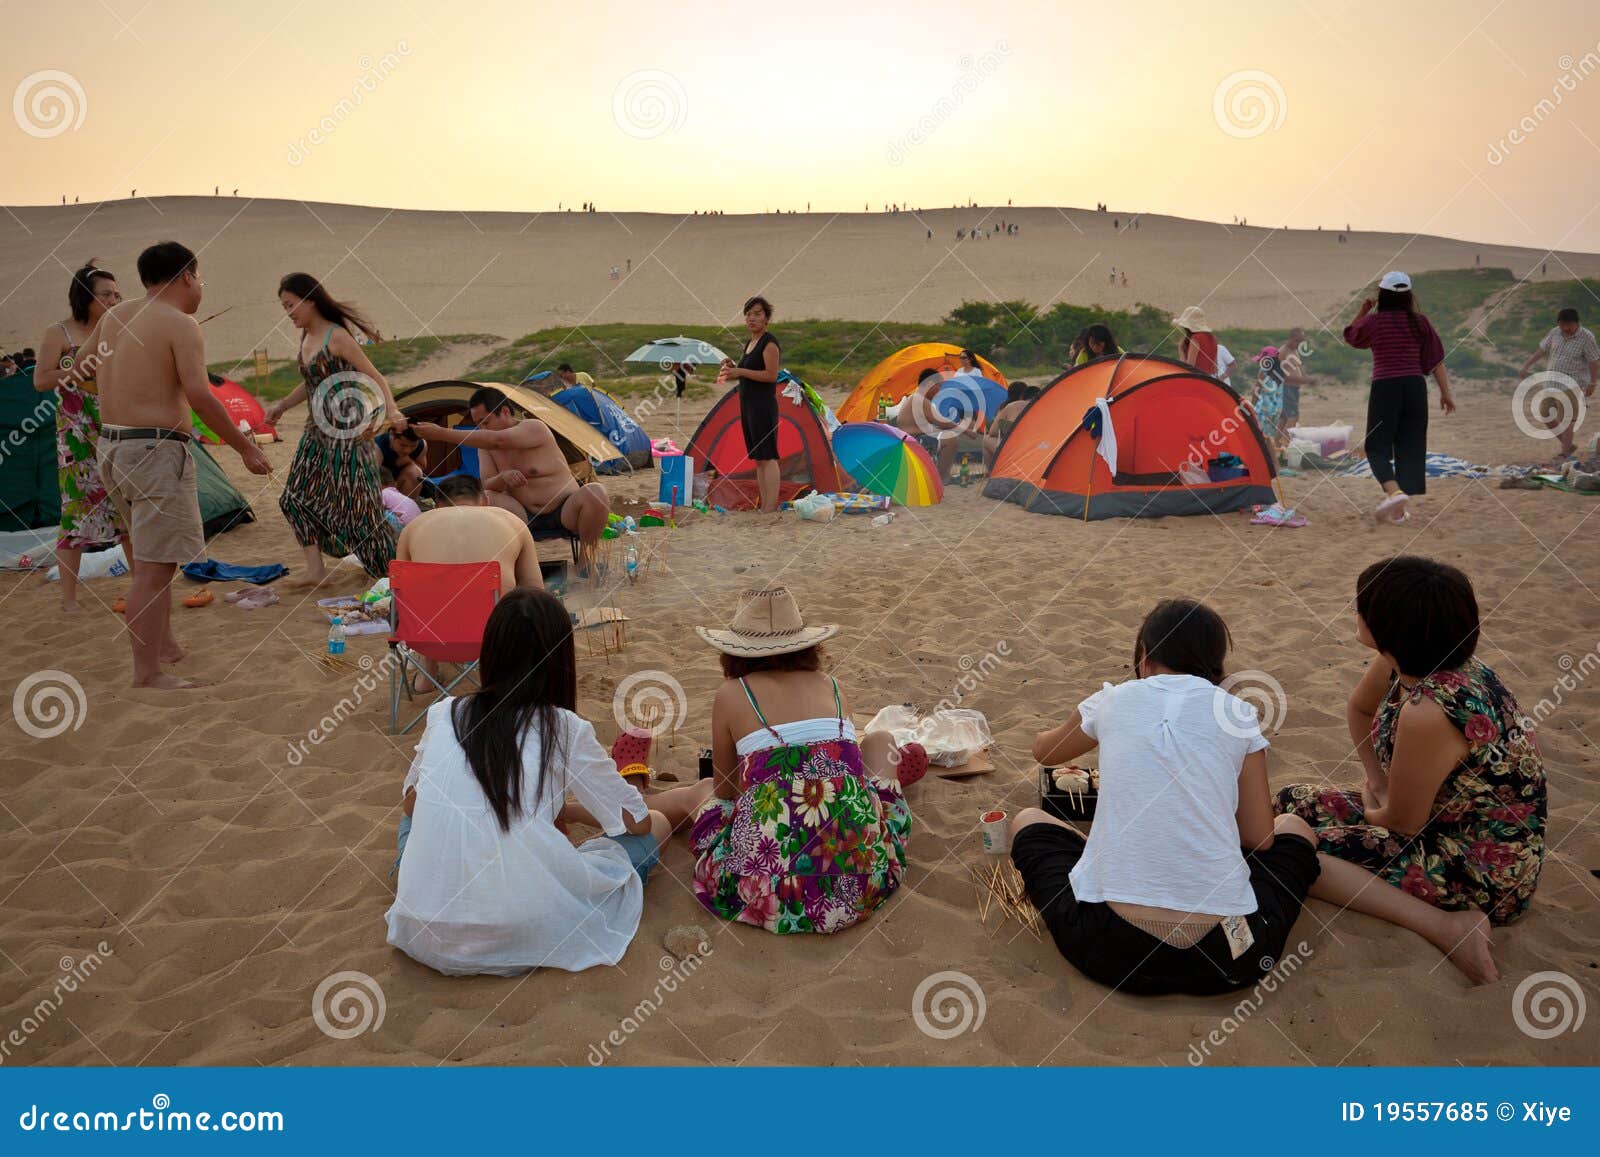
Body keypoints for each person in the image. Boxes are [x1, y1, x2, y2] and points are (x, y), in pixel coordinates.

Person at [386, 588, 710, 975]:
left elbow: (411, 805)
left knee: (413, 818)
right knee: (655, 825)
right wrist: (569, 811)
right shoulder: (564, 727)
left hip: (423, 928)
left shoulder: (445, 713)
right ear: (559, 661)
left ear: (490, 652)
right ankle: (635, 787)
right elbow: (637, 823)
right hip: (524, 927)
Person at [1011, 599, 1319, 995]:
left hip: (1108, 949)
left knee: (1028, 821)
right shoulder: (1238, 713)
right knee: (1293, 826)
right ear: (1215, 664)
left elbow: (1045, 752)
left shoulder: (1113, 698)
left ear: (1144, 655)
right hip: (1229, 958)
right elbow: (1259, 838)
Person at [1275, 557, 1545, 985]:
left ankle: (1448, 927)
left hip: (1484, 867)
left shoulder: (1429, 711)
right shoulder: (1407, 659)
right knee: (1289, 802)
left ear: (1389, 628)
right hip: (1436, 819)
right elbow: (1359, 709)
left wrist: (1373, 804)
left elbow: (1402, 822)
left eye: (1363, 606)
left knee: (1295, 854)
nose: (1357, 611)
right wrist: (1378, 781)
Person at [80, 241, 271, 688]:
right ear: (187, 276)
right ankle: (147, 673)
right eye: (199, 278)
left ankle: (163, 646)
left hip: (113, 448)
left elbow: (82, 369)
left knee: (152, 557)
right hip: (153, 453)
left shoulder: (113, 316)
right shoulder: (180, 323)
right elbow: (201, 395)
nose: (200, 287)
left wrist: (127, 387)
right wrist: (244, 447)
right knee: (154, 569)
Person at [689, 587, 915, 933]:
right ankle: (896, 779)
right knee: (880, 741)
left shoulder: (732, 693)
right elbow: (847, 769)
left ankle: (641, 795)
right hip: (861, 883)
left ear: (734, 651)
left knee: (702, 792)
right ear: (806, 645)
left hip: (769, 892)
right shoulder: (833, 686)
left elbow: (725, 789)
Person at [264, 272, 403, 586]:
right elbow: (311, 381)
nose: (288, 312)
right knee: (294, 499)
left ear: (310, 300)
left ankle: (392, 572)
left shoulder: (337, 337)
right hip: (315, 432)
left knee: (359, 511)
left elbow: (375, 377)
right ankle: (316, 571)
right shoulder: (306, 338)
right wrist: (282, 405)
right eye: (284, 307)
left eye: (291, 304)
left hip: (348, 435)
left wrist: (392, 409)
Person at [411, 388, 610, 566]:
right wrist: (503, 477)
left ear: (505, 412)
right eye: (478, 424)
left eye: (486, 421)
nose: (483, 428)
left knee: (596, 492)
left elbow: (498, 440)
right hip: (521, 514)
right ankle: (509, 564)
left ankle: (586, 561)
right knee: (485, 497)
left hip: (565, 509)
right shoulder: (485, 446)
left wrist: (441, 433)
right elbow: (488, 483)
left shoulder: (534, 428)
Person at [34, 260, 128, 612]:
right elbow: (41, 380)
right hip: (75, 434)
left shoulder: (118, 331)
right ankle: (69, 599)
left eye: (117, 295)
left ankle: (141, 588)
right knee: (75, 513)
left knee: (127, 508)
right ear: (85, 297)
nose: (113, 301)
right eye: (106, 295)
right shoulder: (60, 333)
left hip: (117, 427)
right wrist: (79, 369)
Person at [1343, 271, 1454, 523]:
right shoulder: (1420, 322)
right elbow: (1435, 361)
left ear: (1382, 294)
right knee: (1410, 445)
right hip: (1415, 387)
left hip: (1386, 387)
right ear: (1408, 296)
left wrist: (1363, 311)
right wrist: (1446, 394)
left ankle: (1394, 493)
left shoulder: (1374, 322)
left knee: (1376, 447)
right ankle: (1399, 509)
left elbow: (1351, 336)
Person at [395, 474, 542, 595]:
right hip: (496, 620)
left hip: (428, 619)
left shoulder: (413, 527)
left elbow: (400, 591)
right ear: (485, 501)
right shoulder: (511, 521)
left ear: (437, 506)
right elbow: (534, 589)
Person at [720, 295, 783, 512]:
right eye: (748, 314)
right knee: (759, 457)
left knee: (769, 455)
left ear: (766, 317)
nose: (752, 318)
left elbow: (771, 375)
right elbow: (748, 372)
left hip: (763, 406)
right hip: (748, 406)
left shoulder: (769, 343)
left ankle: (770, 506)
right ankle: (764, 504)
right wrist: (733, 367)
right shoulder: (750, 343)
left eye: (757, 314)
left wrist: (740, 371)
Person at [1516, 307, 1598, 461]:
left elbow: (1593, 361)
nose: (1565, 328)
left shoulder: (1586, 337)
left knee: (1567, 418)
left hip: (1572, 383)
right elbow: (1541, 350)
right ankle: (1568, 445)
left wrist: (1592, 383)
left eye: (1568, 325)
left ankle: (1564, 453)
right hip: (1552, 381)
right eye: (1562, 325)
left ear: (1576, 323)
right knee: (1545, 413)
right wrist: (1526, 365)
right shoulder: (1555, 332)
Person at [897, 366, 964, 477]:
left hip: (909, 439)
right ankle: (942, 477)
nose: (938, 391)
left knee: (944, 434)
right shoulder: (919, 399)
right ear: (930, 384)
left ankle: (940, 475)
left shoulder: (914, 398)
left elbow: (932, 425)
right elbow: (943, 422)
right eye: (939, 387)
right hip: (912, 442)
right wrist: (965, 429)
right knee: (951, 438)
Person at [984, 382, 1035, 470]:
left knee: (986, 439)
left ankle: (991, 472)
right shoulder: (1040, 406)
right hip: (1037, 448)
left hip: (1014, 449)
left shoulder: (1007, 407)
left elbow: (992, 431)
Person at [375, 425, 427, 498]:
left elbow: (422, 466)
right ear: (392, 435)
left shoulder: (421, 445)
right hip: (381, 485)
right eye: (403, 445)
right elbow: (370, 477)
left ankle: (406, 503)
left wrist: (409, 461)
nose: (407, 450)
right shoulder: (378, 445)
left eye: (413, 446)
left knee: (415, 472)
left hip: (399, 482)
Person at [1277, 328, 1309, 440]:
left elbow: (1298, 368)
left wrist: (1305, 378)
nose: (1298, 344)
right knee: (1293, 416)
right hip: (1287, 388)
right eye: (1297, 341)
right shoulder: (1283, 351)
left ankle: (1276, 442)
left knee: (1284, 418)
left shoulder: (1294, 351)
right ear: (1290, 339)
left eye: (1300, 341)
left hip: (1294, 388)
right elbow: (1281, 375)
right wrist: (1301, 379)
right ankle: (1287, 442)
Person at [1249, 347, 1285, 447]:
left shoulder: (1263, 372)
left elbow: (1256, 392)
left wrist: (1251, 408)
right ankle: (1273, 453)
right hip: (1277, 409)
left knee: (1260, 437)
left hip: (1264, 409)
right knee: (1271, 437)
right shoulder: (1282, 372)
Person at [1173, 306, 1218, 376]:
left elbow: (1188, 368)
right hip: (1209, 379)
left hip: (1196, 379)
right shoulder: (1213, 338)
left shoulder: (1195, 339)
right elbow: (1215, 369)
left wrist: (1181, 349)